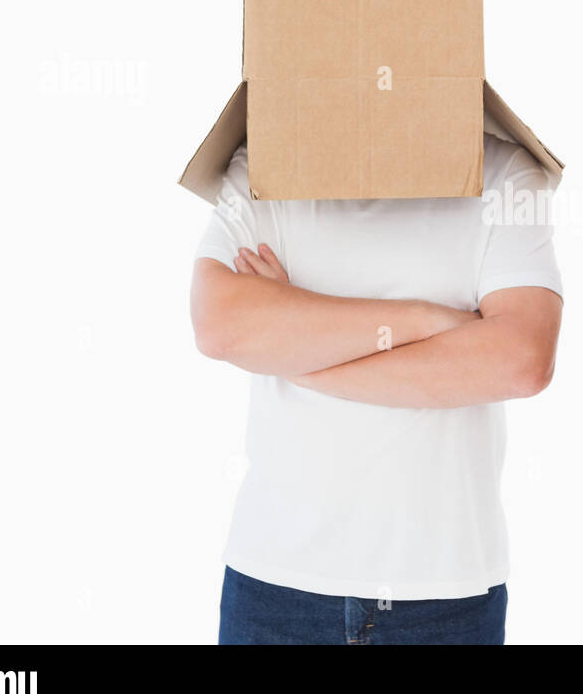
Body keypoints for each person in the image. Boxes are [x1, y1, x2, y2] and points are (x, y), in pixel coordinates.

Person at [190, 131, 562, 645]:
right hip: (277, 589)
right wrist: (430, 318)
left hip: (446, 600)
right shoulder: (265, 164)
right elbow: (219, 326)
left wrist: (300, 356)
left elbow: (521, 360)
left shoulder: (504, 173)